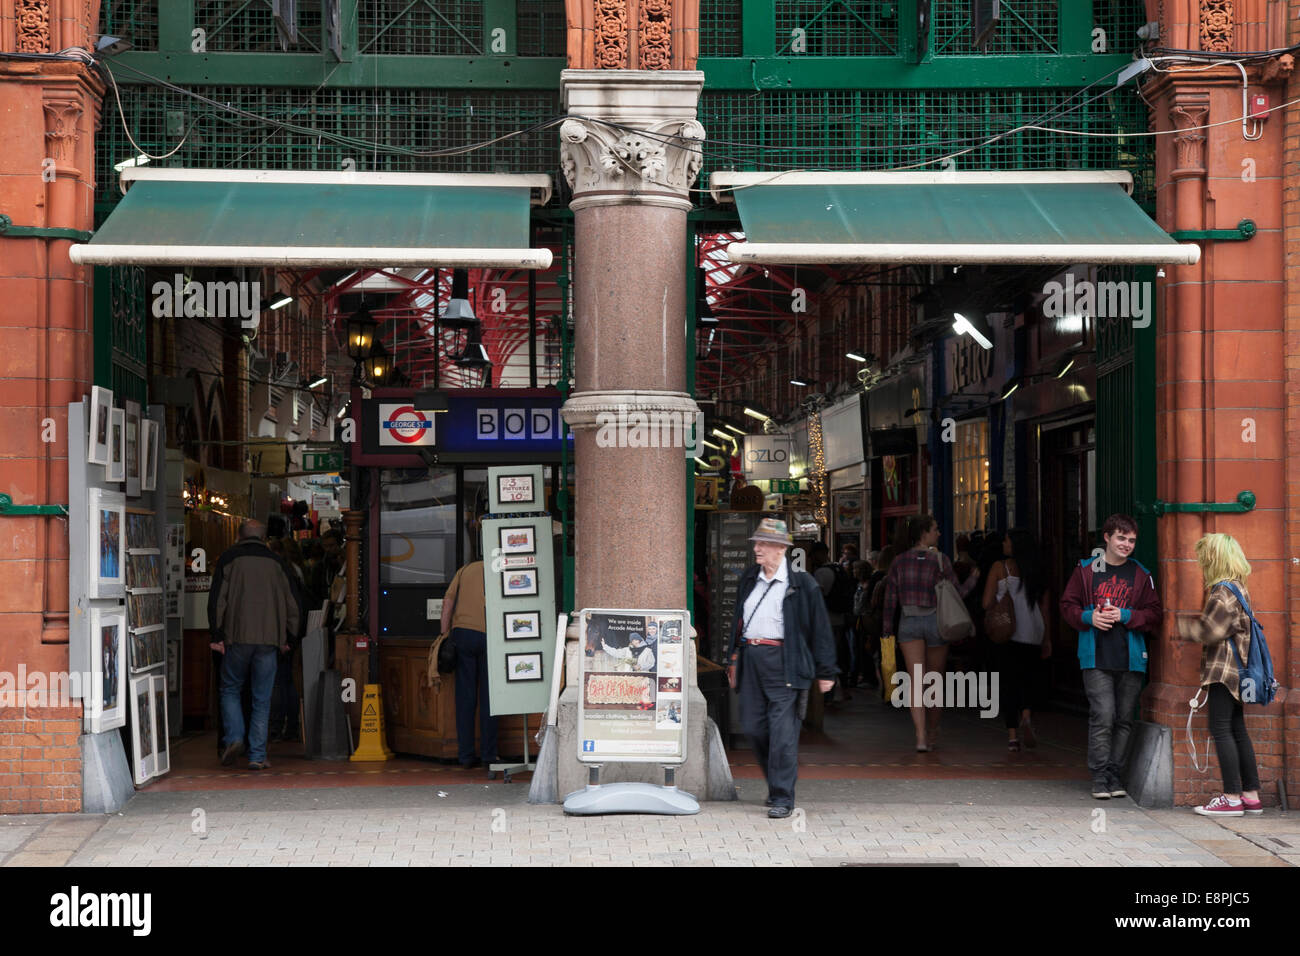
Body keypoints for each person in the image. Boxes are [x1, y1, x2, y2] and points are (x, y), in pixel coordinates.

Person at [725, 518, 837, 818]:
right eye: (756, 544)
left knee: (782, 732)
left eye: (763, 544)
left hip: (785, 662)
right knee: (752, 726)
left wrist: (826, 672)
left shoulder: (803, 584)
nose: (757, 549)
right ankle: (777, 783)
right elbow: (738, 620)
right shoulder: (749, 578)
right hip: (751, 659)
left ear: (780, 549)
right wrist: (732, 657)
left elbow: (820, 630)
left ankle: (782, 797)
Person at [1059, 513, 1163, 800]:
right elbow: (1067, 606)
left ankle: (1115, 775)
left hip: (1131, 657)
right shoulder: (1086, 570)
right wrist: (1088, 617)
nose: (1126, 544)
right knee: (1103, 715)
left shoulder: (1141, 574)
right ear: (1106, 537)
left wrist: (1126, 614)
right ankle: (1100, 777)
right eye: (1121, 538)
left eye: (1131, 540)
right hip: (1096, 655)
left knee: (1124, 718)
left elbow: (1156, 614)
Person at [1175, 533, 1263, 816]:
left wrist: (1181, 627)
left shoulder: (1223, 590)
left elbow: (1211, 631)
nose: (1201, 562)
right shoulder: (1239, 588)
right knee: (1238, 730)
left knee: (1221, 729)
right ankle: (1250, 795)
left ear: (1214, 559)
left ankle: (1232, 798)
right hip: (1240, 672)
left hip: (1224, 672)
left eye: (1204, 557)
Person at [208, 519, 301, 771]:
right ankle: (257, 755)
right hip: (270, 640)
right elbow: (293, 603)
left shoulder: (229, 559)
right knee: (262, 698)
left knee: (230, 689)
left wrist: (216, 635)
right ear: (264, 538)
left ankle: (235, 738)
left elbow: (218, 600)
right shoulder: (278, 563)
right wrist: (290, 637)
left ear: (239, 536)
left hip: (236, 638)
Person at [883, 514, 962, 752]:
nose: (938, 533)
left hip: (908, 621)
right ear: (924, 533)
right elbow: (957, 593)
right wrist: (976, 580)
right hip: (935, 621)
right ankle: (934, 731)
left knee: (916, 681)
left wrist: (887, 628)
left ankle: (920, 737)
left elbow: (890, 598)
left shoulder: (898, 561)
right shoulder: (940, 560)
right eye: (936, 529)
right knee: (934, 681)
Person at [982, 529, 1050, 751]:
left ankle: (1012, 737)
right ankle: (1027, 716)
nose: (1004, 543)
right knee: (1028, 678)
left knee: (1009, 683)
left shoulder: (1000, 568)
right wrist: (1047, 639)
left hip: (1009, 632)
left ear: (1015, 544)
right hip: (1034, 632)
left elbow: (985, 602)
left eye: (1007, 540)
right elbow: (1045, 608)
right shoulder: (1038, 570)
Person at [441, 558, 498, 769]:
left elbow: (447, 603)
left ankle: (465, 756)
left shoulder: (464, 571)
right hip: (491, 635)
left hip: (463, 634)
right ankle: (489, 755)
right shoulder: (498, 569)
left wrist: (444, 635)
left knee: (466, 697)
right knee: (489, 699)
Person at [811, 542, 856, 697]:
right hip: (840, 619)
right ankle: (845, 687)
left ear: (819, 554)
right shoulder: (839, 569)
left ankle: (828, 693)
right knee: (841, 653)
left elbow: (816, 599)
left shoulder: (821, 573)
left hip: (827, 620)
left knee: (828, 656)